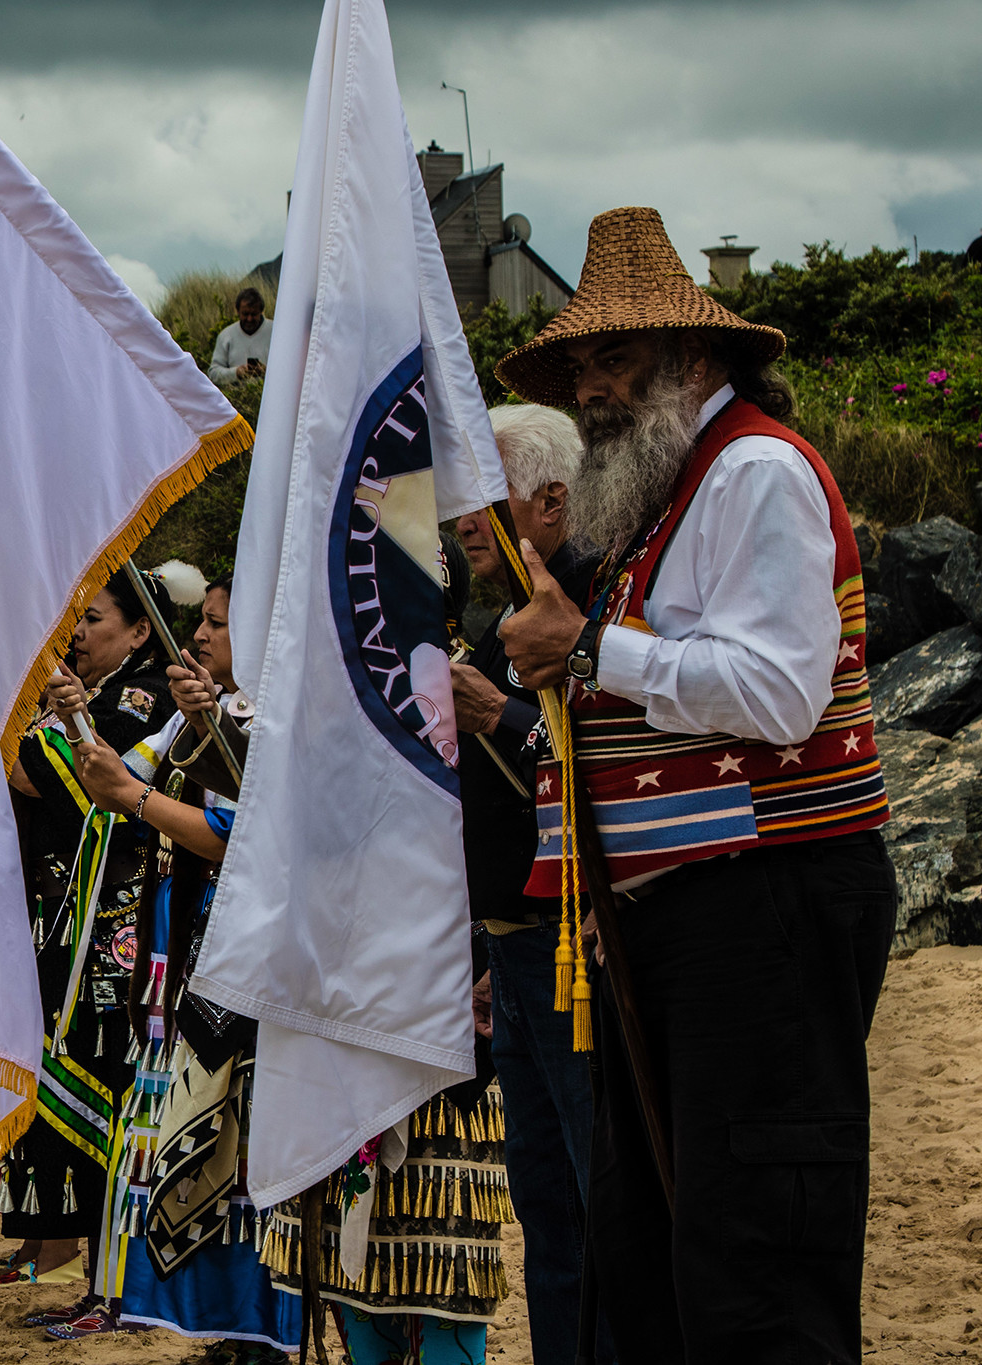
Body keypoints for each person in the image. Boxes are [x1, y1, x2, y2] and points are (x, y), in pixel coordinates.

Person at [492, 206, 894, 1362]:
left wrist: (589, 652)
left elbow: (776, 694)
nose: (589, 390)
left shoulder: (752, 470)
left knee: (755, 1252)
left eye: (611, 359)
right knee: (656, 1249)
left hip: (762, 903)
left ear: (696, 358)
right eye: (578, 366)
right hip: (680, 916)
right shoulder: (664, 493)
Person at [64, 577, 307, 1358]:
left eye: (217, 623)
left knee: (244, 1146)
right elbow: (105, 770)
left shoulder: (269, 718)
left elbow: (229, 829)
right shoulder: (190, 719)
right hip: (186, 959)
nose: (199, 636)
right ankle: (227, 1329)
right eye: (199, 621)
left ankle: (264, 1331)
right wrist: (71, 706)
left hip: (248, 966)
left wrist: (135, 799)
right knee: (196, 1138)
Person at [448, 404, 611, 1363]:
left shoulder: (595, 599)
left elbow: (616, 757)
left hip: (580, 952)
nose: (465, 515)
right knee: (545, 1211)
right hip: (510, 949)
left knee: (601, 1203)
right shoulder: (494, 622)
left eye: (486, 491)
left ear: (552, 500)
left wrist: (500, 717)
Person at [0, 567, 177, 1300]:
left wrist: (49, 730)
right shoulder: (84, 698)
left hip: (111, 928)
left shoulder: (147, 696)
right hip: (57, 915)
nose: (78, 633)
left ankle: (89, 1259)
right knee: (46, 1072)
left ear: (139, 629)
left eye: (93, 618)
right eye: (74, 618)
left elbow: (58, 777)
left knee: (98, 1078)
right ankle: (46, 1236)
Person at [209, 287, 272, 387]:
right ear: (238, 311)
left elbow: (288, 370)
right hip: (235, 399)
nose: (249, 319)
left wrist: (266, 372)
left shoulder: (275, 333)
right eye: (245, 314)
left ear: (261, 311)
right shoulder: (226, 336)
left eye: (254, 314)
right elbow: (213, 373)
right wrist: (236, 373)